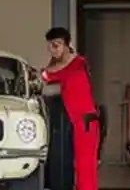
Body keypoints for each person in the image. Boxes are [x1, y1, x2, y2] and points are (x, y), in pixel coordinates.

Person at [40, 27, 100, 190]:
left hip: (84, 122)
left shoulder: (78, 64)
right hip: (68, 123)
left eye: (57, 45)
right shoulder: (57, 65)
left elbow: (55, 77)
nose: (53, 49)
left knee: (84, 168)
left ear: (67, 45)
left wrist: (45, 76)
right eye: (50, 45)